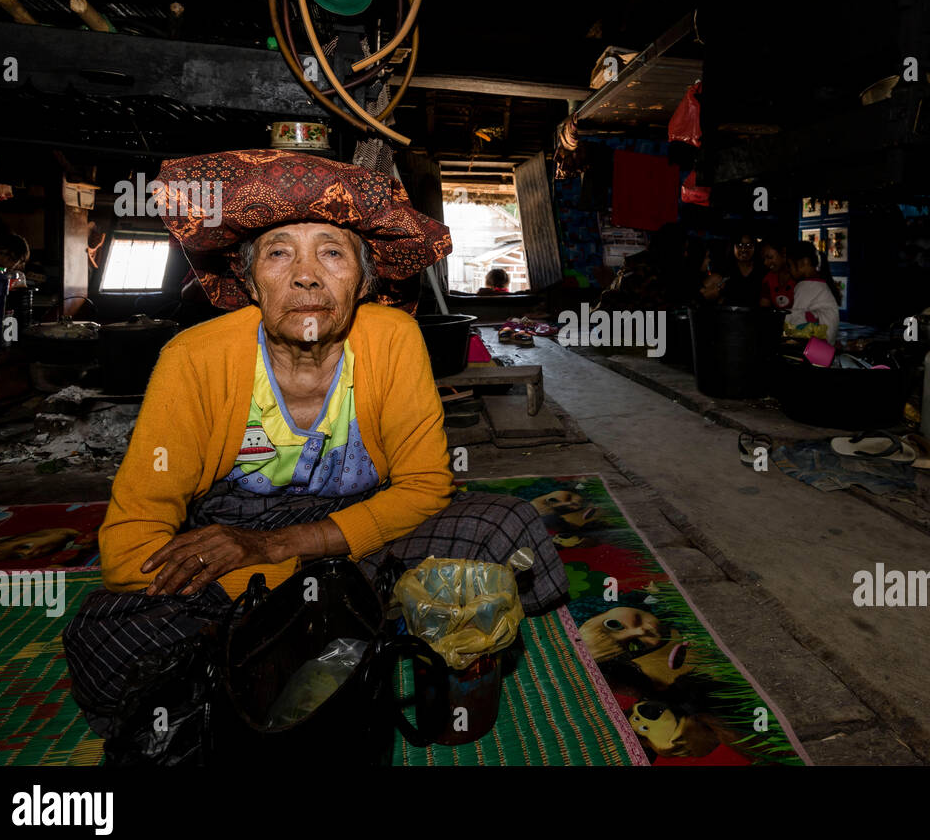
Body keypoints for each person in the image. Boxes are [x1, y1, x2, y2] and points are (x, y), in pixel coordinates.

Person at [61, 149, 568, 759]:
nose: (306, 277)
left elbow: (426, 487)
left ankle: (315, 625)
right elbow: (130, 545)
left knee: (510, 528)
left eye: (332, 252)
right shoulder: (193, 358)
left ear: (365, 279)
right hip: (236, 533)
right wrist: (249, 565)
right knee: (103, 636)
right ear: (250, 282)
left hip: (354, 528)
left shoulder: (395, 339)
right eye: (279, 253)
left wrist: (280, 553)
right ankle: (342, 620)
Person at [784, 241, 840, 344]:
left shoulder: (807, 285)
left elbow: (793, 316)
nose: (788, 270)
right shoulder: (819, 284)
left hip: (816, 346)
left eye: (790, 265)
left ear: (804, 262)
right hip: (825, 346)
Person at [720, 230, 764, 307]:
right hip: (730, 316)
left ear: (755, 247)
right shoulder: (725, 269)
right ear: (733, 247)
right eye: (740, 245)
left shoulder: (762, 269)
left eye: (749, 245)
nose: (744, 249)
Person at [759, 242, 796, 311]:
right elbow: (764, 309)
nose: (765, 263)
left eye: (770, 257)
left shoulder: (799, 277)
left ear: (784, 254)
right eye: (764, 259)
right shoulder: (768, 279)